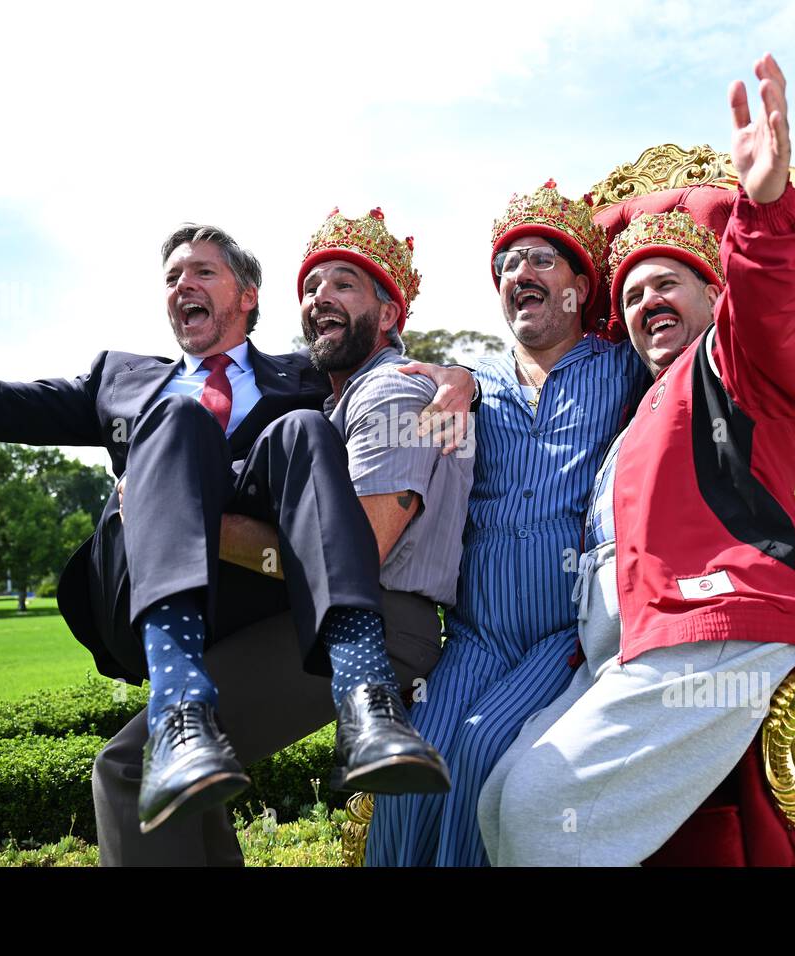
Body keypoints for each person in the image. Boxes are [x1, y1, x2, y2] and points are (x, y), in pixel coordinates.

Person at [0, 168, 475, 839]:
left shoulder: (304, 380)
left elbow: (380, 373)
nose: (181, 284)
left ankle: (365, 699)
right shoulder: (121, 381)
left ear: (248, 295)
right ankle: (179, 704)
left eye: (203, 272)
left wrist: (461, 379)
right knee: (178, 420)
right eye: (171, 277)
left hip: (254, 597)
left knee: (303, 433)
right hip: (149, 593)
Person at [478, 55, 795, 865]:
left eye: (670, 284)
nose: (648, 301)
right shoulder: (629, 408)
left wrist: (774, 206)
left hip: (716, 630)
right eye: (634, 292)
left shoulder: (738, 367)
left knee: (541, 818)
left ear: (715, 299)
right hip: (623, 646)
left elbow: (776, 295)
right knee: (498, 797)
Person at [93, 207, 475, 865]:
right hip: (345, 622)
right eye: (311, 285)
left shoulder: (387, 395)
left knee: (131, 770)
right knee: (191, 779)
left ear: (389, 315)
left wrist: (179, 519)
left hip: (382, 625)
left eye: (345, 284)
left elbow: (363, 551)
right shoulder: (332, 399)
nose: (320, 296)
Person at [366, 178, 651, 867]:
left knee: (478, 746)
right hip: (474, 635)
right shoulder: (472, 383)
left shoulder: (626, 370)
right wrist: (449, 375)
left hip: (564, 633)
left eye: (539, 261)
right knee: (412, 767)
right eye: (506, 266)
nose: (518, 273)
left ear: (581, 289)